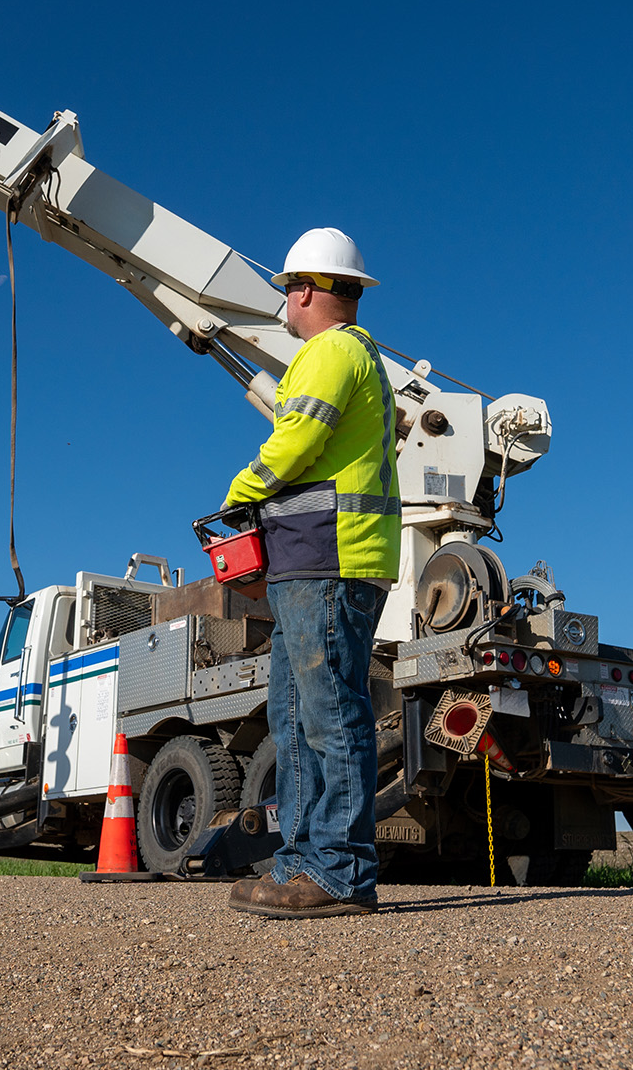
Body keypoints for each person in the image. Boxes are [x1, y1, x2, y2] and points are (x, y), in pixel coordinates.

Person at [221, 227, 401, 918]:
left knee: (327, 714)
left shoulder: (331, 352)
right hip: (314, 559)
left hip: (331, 558)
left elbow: (296, 439)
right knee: (294, 717)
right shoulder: (354, 354)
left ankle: (339, 872)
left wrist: (240, 492)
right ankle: (302, 864)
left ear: (305, 290)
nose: (285, 303)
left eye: (289, 289)